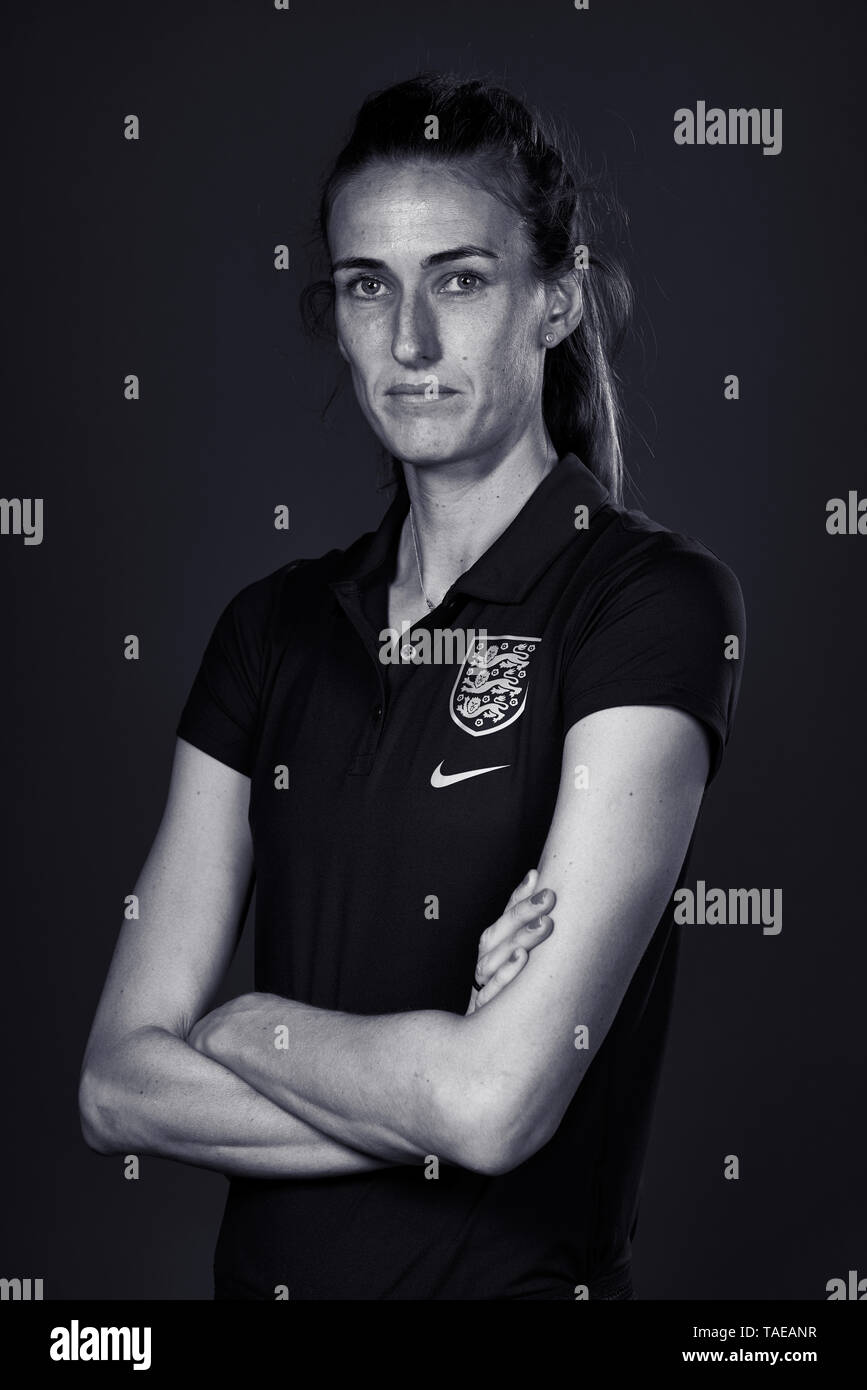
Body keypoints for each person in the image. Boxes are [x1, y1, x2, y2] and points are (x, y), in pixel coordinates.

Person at [79, 72, 745, 1301]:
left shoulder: (652, 605)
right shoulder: (270, 629)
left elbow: (497, 1110)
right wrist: (437, 1077)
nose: (411, 342)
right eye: (367, 286)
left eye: (462, 278)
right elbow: (116, 1084)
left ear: (556, 300)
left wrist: (237, 1027)